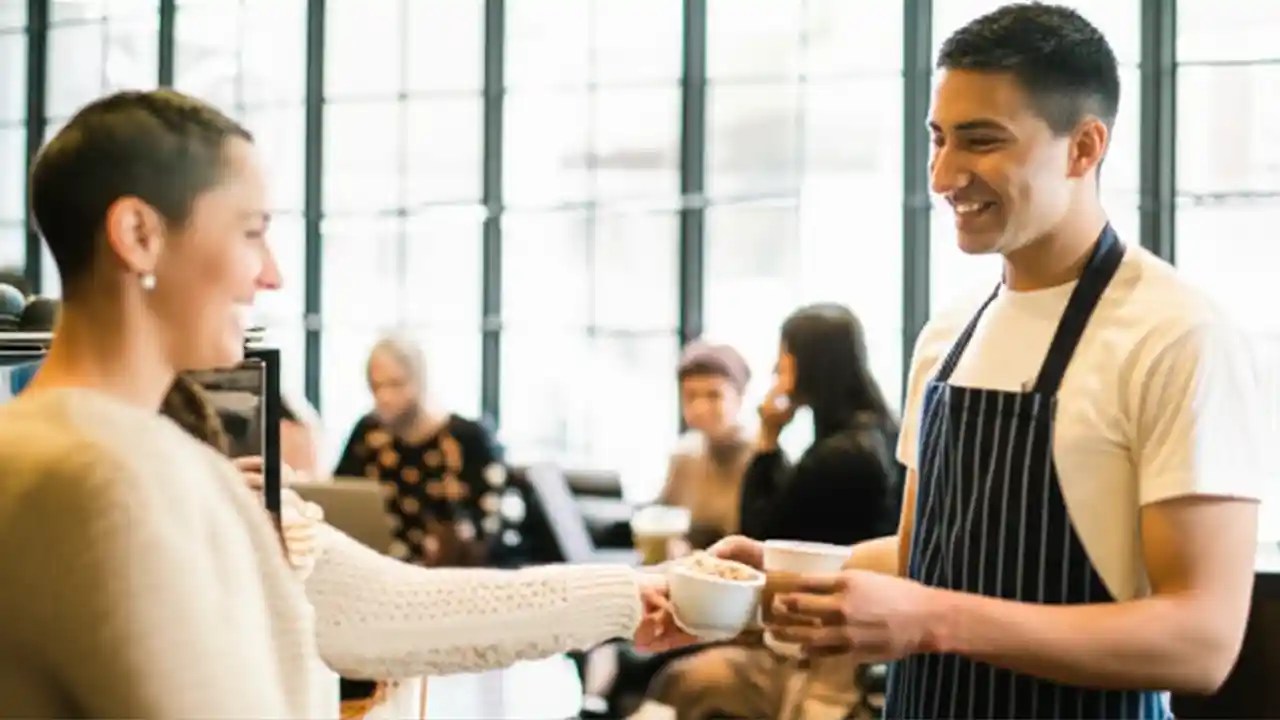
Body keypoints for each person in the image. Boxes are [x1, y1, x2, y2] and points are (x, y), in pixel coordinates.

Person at [0, 89, 683, 718]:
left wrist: (644, 592)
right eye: (250, 231)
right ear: (140, 235)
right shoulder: (113, 480)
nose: (272, 272)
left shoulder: (121, 461)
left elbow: (389, 606)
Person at [708, 5, 1268, 719]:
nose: (944, 175)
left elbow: (1201, 642)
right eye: (937, 139)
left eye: (980, 141)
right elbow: (925, 557)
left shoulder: (1176, 335)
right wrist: (777, 573)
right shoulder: (948, 335)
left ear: (1084, 147)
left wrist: (932, 619)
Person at [642, 303, 901, 720]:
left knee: (683, 680)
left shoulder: (841, 456)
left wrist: (767, 436)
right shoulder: (878, 435)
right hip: (839, 635)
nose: (776, 375)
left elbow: (762, 531)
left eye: (783, 363)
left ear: (808, 366)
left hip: (829, 650)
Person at [335, 335, 506, 567]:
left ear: (419, 381)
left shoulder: (467, 438)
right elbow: (338, 502)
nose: (384, 397)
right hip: (376, 571)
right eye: (376, 386)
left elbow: (491, 525)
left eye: (395, 384)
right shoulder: (367, 434)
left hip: (451, 580)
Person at [657, 340, 754, 549]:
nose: (700, 407)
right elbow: (666, 520)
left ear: (739, 397)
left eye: (714, 395)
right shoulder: (684, 456)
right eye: (690, 396)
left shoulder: (761, 458)